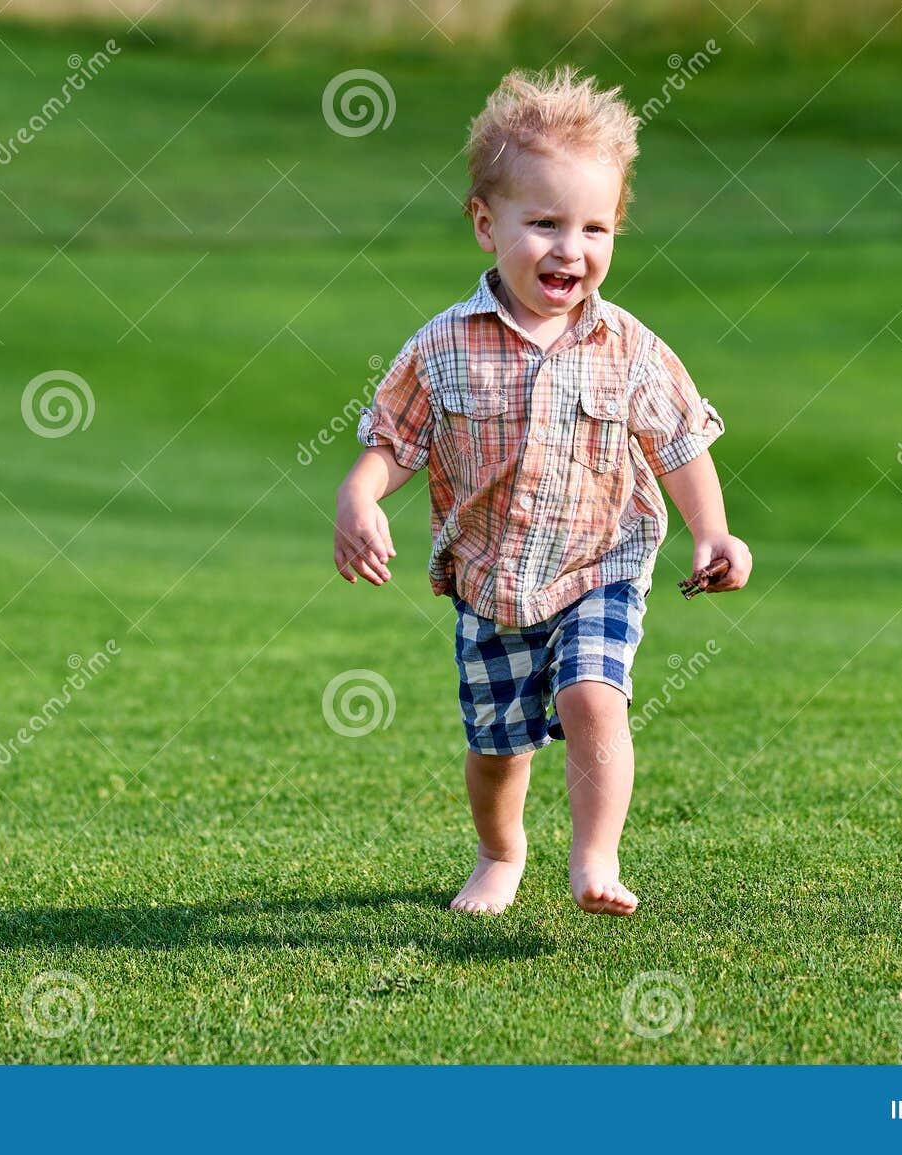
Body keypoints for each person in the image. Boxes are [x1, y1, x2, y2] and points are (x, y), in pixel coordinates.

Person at [332, 65, 752, 917]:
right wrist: (361, 496)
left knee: (594, 694)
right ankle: (501, 849)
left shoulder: (629, 347)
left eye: (595, 227)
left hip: (603, 564)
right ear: (488, 226)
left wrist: (713, 531)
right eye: (545, 223)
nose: (571, 248)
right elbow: (394, 440)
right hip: (493, 583)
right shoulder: (444, 345)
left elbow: (679, 442)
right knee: (499, 748)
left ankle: (595, 858)